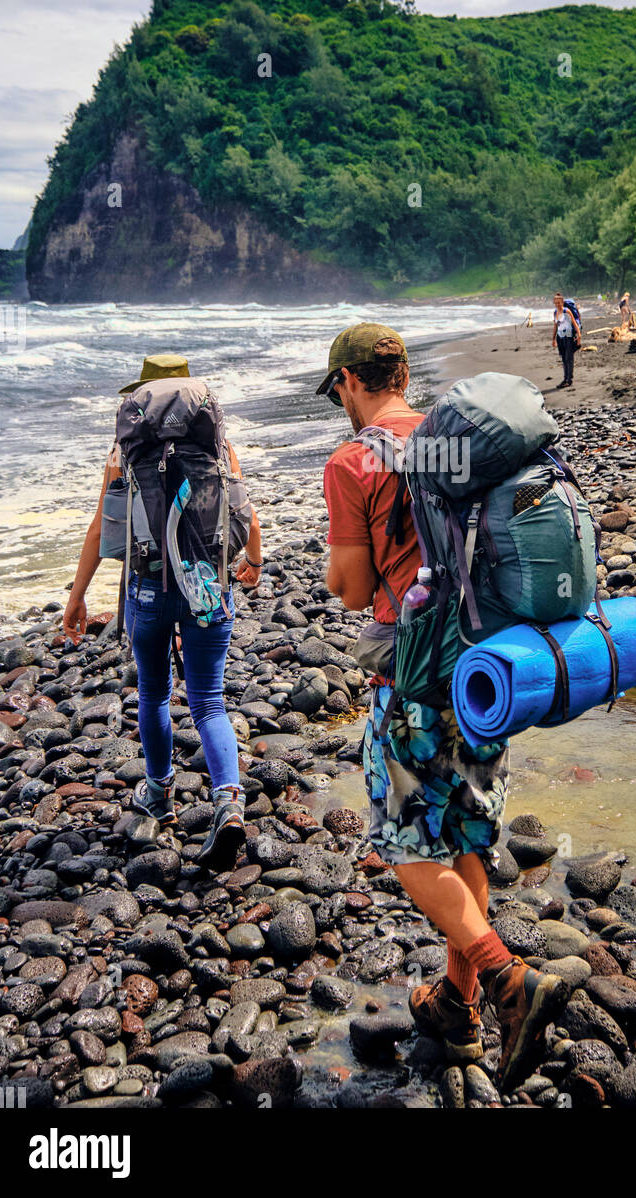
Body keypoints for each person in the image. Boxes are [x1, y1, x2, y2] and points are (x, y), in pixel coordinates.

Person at [318, 323, 566, 1089]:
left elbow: (354, 591)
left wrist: (343, 572)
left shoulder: (352, 460)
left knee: (405, 845)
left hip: (415, 675)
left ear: (350, 383)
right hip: (489, 667)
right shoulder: (464, 443)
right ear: (402, 374)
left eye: (337, 391)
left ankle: (504, 977)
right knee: (464, 830)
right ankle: (457, 1007)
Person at [63, 353, 262, 869]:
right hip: (208, 591)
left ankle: (158, 792)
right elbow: (245, 515)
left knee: (153, 691)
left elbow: (102, 530)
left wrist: (77, 595)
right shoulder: (218, 446)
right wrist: (255, 563)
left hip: (146, 593)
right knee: (209, 700)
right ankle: (228, 803)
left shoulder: (124, 453)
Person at [552, 292, 581, 389]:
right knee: (564, 359)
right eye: (555, 303)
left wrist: (579, 336)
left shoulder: (567, 311)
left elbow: (574, 323)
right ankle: (565, 379)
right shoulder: (555, 312)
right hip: (560, 337)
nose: (557, 304)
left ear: (562, 302)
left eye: (559, 303)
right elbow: (556, 326)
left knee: (569, 358)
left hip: (569, 336)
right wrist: (553, 339)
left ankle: (569, 380)